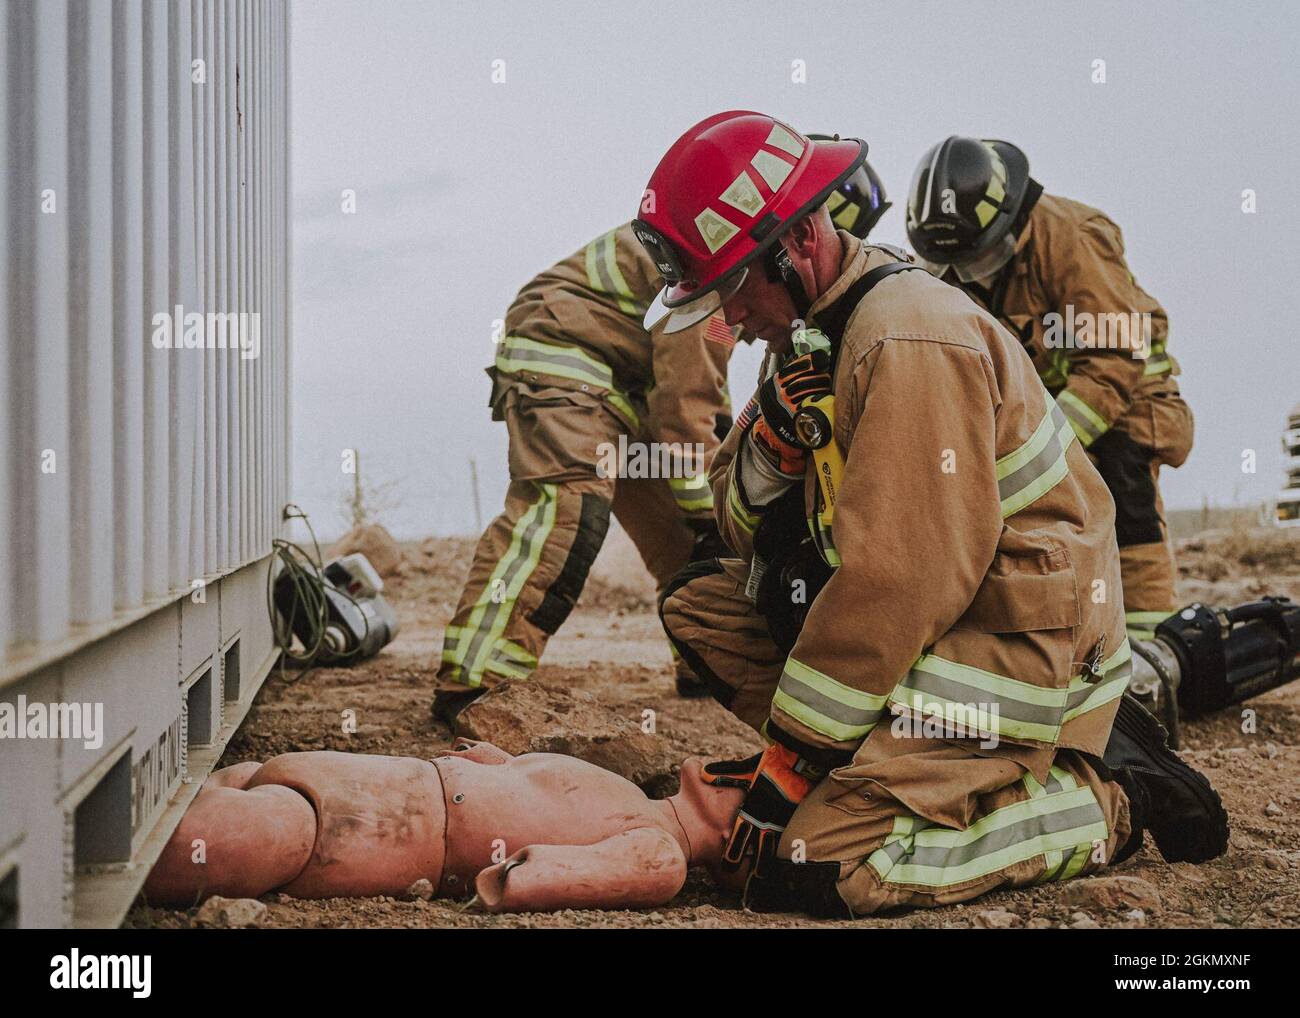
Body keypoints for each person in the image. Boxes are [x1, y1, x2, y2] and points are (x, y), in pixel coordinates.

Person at [644, 111, 1226, 916]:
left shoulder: (904, 338)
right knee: (699, 602)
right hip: (924, 626)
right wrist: (771, 452)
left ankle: (1102, 799)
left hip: (1012, 640)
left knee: (813, 866)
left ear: (800, 241)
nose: (729, 323)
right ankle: (888, 758)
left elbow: (903, 579)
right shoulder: (807, 331)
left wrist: (793, 758)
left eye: (735, 288)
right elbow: (732, 517)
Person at [906, 137, 1193, 642]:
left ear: (1011, 221)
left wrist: (1049, 443)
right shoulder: (950, 257)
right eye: (957, 269)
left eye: (978, 262)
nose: (968, 278)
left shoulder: (1073, 237)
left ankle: (1153, 648)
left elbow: (1115, 355)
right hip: (1036, 403)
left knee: (1124, 488)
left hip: (1126, 393)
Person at [143, 741, 745, 912]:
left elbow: (522, 879)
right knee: (230, 809)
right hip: (384, 788)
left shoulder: (659, 856)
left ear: (739, 843)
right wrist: (495, 763)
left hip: (364, 829)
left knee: (234, 836)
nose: (745, 769)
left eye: (754, 786)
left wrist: (494, 873)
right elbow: (524, 777)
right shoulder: (634, 796)